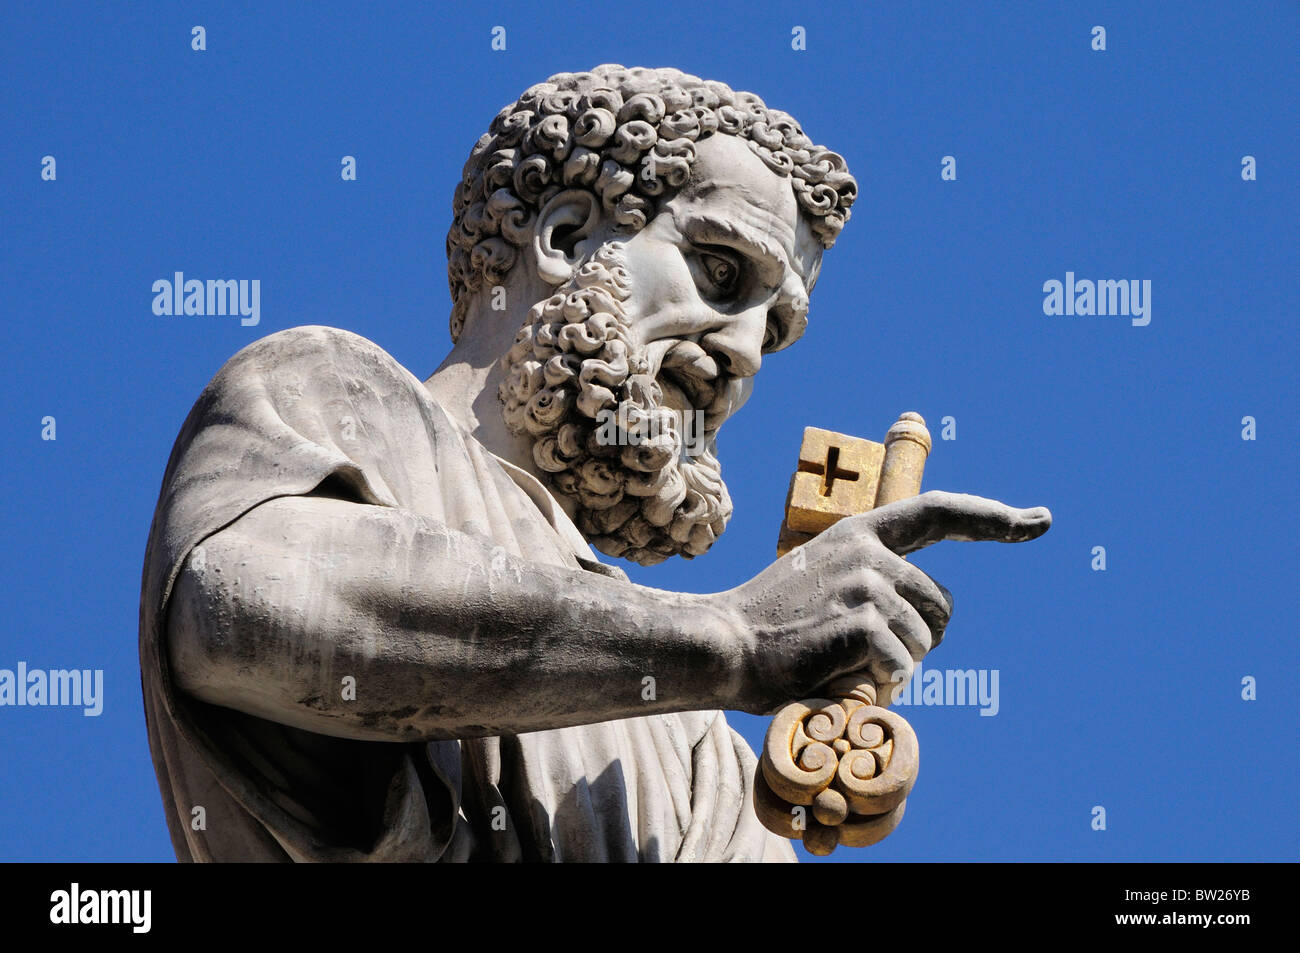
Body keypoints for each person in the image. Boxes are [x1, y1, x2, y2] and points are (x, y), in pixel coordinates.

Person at [140, 65, 1051, 862]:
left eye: (774, 330)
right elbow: (239, 608)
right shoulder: (335, 398)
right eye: (721, 273)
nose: (742, 352)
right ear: (567, 236)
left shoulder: (706, 753)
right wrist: (733, 639)